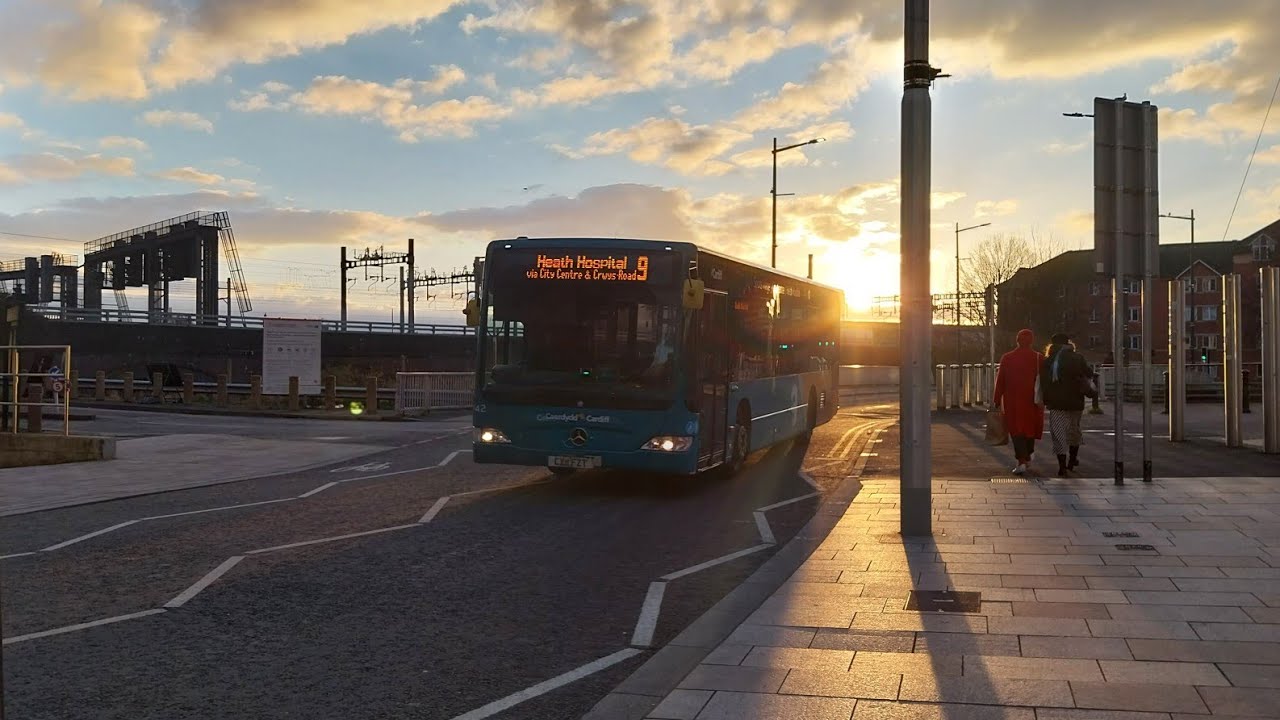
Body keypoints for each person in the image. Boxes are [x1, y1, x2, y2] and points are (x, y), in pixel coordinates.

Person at [1042, 332, 1094, 476]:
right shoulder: (1077, 358)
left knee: (1058, 434)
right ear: (1068, 344)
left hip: (1056, 402)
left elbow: (1044, 382)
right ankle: (1072, 460)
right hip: (1075, 401)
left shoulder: (1049, 361)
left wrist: (1045, 399)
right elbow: (1089, 373)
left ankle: (1062, 466)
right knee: (1073, 431)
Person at [993, 329, 1044, 475]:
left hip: (1013, 400)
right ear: (1032, 341)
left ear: (1017, 340)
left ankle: (1021, 460)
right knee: (1029, 428)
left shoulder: (1007, 358)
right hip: (1032, 400)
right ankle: (1028, 455)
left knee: (1016, 430)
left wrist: (996, 399)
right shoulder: (1038, 358)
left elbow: (1001, 381)